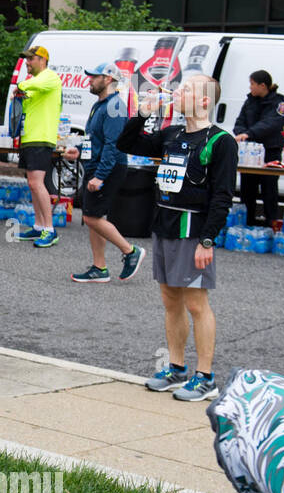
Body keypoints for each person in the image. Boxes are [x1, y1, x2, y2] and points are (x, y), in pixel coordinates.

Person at [118, 74, 236, 402]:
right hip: (164, 225)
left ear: (203, 100)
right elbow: (126, 143)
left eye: (186, 89)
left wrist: (207, 240)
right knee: (170, 300)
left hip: (193, 230)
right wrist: (143, 113)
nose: (177, 92)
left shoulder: (221, 142)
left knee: (197, 303)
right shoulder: (171, 133)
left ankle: (206, 377)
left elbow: (223, 195)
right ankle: (176, 368)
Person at [66, 63, 144, 283]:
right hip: (97, 165)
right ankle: (99, 268)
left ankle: (130, 251)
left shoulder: (114, 107)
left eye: (94, 76)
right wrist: (79, 151)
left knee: (90, 217)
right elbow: (95, 140)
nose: (89, 80)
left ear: (108, 79)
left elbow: (114, 145)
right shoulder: (99, 105)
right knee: (94, 216)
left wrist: (100, 176)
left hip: (108, 167)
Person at [14, 45, 62, 248]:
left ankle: (49, 229)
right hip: (30, 137)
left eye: (31, 59)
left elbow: (27, 86)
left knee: (36, 183)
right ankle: (39, 225)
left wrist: (22, 87)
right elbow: (26, 97)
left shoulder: (50, 77)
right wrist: (21, 93)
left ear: (42, 60)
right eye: (26, 59)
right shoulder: (35, 82)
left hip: (42, 137)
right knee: (32, 184)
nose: (27, 62)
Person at [234, 69, 284, 227]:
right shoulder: (250, 101)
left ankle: (271, 223)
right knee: (247, 190)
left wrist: (249, 133)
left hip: (270, 150)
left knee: (269, 189)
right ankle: (246, 222)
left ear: (262, 85)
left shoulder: (279, 103)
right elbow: (240, 121)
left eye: (252, 84)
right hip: (250, 152)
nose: (250, 87)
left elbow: (271, 123)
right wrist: (241, 133)